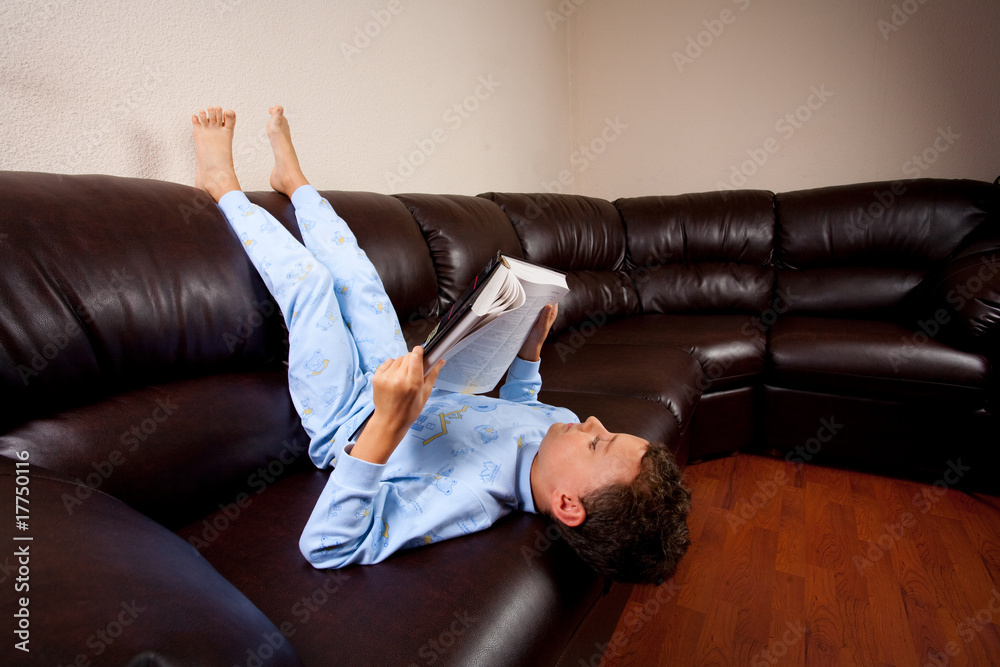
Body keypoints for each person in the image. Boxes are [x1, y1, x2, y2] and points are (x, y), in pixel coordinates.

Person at [191, 106, 690, 584]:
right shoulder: (556, 430)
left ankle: (223, 187)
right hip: (408, 375)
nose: (594, 422)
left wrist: (386, 423)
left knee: (311, 287)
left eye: (598, 442)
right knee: (361, 280)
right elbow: (521, 406)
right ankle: (296, 185)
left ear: (567, 505)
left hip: (346, 414)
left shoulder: (471, 501)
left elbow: (327, 546)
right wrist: (528, 350)